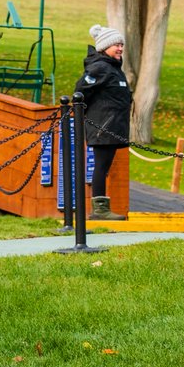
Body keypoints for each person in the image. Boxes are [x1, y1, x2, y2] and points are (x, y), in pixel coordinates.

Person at [73, 24, 131, 221]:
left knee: (103, 166)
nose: (120, 48)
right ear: (104, 46)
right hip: (103, 127)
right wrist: (88, 115)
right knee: (100, 165)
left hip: (112, 127)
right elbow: (80, 91)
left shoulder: (113, 68)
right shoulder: (100, 67)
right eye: (116, 44)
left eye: (122, 44)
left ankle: (101, 208)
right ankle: (99, 210)